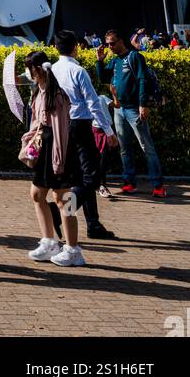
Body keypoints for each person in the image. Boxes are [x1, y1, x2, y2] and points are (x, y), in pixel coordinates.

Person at [22, 51, 86, 267]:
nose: (27, 73)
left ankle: (73, 249)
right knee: (37, 194)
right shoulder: (39, 92)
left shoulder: (56, 95)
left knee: (65, 199)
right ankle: (49, 241)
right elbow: (39, 121)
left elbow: (61, 131)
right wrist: (29, 137)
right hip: (45, 147)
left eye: (29, 68)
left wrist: (59, 160)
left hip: (59, 150)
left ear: (37, 70)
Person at [51, 31, 117, 241]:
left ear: (56, 48)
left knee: (82, 177)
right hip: (80, 125)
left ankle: (93, 224)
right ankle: (62, 212)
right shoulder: (78, 71)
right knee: (92, 177)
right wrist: (108, 130)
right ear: (75, 47)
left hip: (61, 126)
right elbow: (93, 103)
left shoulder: (52, 70)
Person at [96, 29, 166, 198]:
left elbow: (143, 80)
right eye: (108, 44)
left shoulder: (135, 57)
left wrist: (143, 104)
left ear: (121, 41)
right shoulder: (115, 60)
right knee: (124, 148)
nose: (110, 47)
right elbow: (103, 78)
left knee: (147, 147)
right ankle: (129, 182)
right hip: (119, 109)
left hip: (134, 108)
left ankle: (158, 185)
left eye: (112, 43)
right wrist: (99, 61)